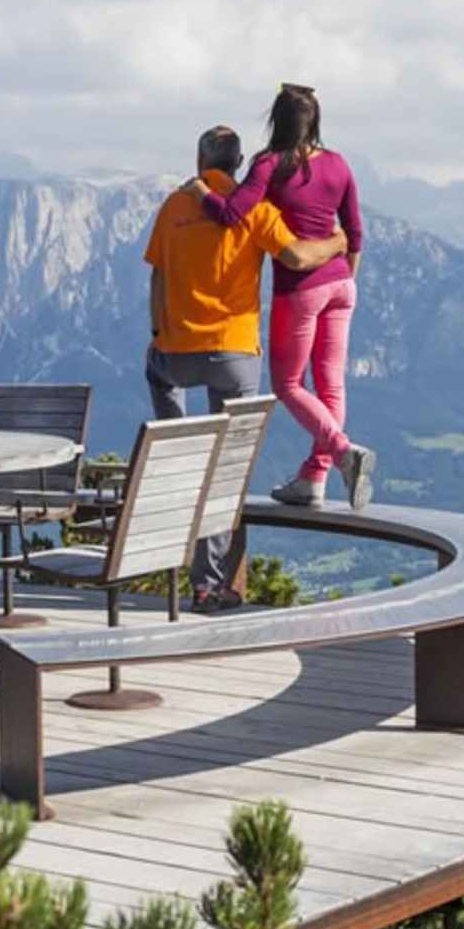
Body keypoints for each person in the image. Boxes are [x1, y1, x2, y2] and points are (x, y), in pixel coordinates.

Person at [145, 124, 348, 611]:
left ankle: (176, 449)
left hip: (176, 352)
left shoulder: (174, 206)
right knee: (226, 471)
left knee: (156, 373)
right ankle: (207, 584)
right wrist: (340, 243)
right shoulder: (254, 208)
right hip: (234, 353)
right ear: (237, 163)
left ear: (199, 161)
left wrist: (160, 334)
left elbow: (158, 279)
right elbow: (298, 256)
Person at [194, 84, 376, 510]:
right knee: (331, 386)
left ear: (276, 120)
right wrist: (347, 281)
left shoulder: (269, 165)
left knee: (290, 385)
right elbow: (354, 232)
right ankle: (313, 478)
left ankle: (344, 453)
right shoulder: (339, 164)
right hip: (342, 286)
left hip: (300, 290)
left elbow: (230, 214)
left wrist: (200, 190)